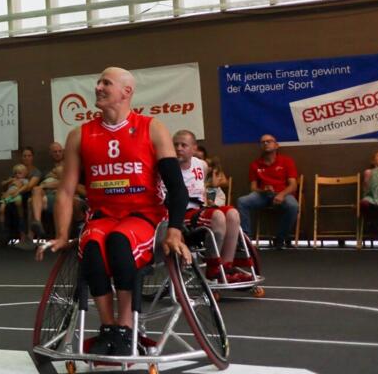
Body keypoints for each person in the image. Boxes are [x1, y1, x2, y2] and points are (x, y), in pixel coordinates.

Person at [37, 67, 191, 358]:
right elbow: (67, 191)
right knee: (92, 246)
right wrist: (60, 234)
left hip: (144, 215)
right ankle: (109, 328)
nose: (98, 87)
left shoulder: (151, 128)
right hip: (103, 216)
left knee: (120, 243)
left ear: (126, 91)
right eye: (97, 82)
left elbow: (177, 188)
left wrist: (175, 230)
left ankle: (126, 326)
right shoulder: (79, 135)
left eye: (106, 83)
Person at [171, 130, 248, 284]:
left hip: (199, 209)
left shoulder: (202, 165)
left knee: (232, 213)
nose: (179, 148)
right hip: (180, 214)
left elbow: (205, 186)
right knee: (218, 217)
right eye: (176, 145)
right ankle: (213, 268)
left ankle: (226, 265)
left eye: (183, 145)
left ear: (194, 148)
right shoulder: (168, 167)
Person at [236, 135, 299, 249]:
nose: (265, 144)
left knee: (293, 206)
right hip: (263, 195)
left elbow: (293, 185)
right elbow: (253, 188)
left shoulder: (286, 161)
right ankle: (246, 240)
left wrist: (281, 194)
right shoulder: (255, 164)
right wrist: (263, 190)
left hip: (283, 194)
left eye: (269, 141)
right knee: (242, 201)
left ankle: (280, 238)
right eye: (263, 142)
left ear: (276, 145)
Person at [28, 141, 84, 245]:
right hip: (48, 195)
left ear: (63, 152)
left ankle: (64, 238)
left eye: (59, 151)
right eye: (55, 152)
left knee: (65, 201)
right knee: (35, 191)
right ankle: (37, 223)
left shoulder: (70, 165)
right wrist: (44, 186)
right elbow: (41, 186)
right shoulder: (46, 170)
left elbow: (67, 183)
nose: (57, 154)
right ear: (50, 153)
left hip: (66, 195)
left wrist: (46, 185)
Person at [0, 164, 30, 240]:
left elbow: (26, 186)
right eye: (16, 173)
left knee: (18, 202)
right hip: (8, 197)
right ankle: (3, 229)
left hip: (16, 196)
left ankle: (21, 220)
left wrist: (18, 191)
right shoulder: (12, 179)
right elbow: (2, 184)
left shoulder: (24, 180)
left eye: (20, 173)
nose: (17, 175)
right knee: (1, 208)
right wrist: (9, 181)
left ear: (25, 174)